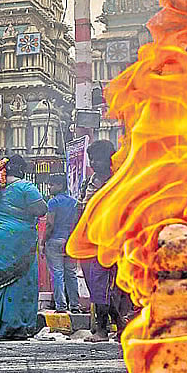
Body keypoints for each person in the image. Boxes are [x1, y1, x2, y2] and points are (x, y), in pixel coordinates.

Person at [0, 154, 47, 341]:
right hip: (19, 245)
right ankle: (15, 326)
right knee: (19, 284)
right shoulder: (25, 187)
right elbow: (41, 210)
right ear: (21, 169)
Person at [80, 139, 131, 340]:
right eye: (91, 159)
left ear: (109, 159)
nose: (93, 163)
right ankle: (106, 327)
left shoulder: (122, 180)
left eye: (97, 159)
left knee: (122, 287)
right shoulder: (90, 183)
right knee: (98, 285)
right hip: (95, 242)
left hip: (120, 242)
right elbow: (83, 210)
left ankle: (117, 327)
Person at [42, 174, 80, 313]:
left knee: (57, 274)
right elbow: (76, 223)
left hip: (54, 241)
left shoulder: (53, 202)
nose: (49, 187)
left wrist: (42, 242)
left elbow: (50, 224)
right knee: (71, 274)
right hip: (70, 241)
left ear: (60, 186)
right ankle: (75, 305)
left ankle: (61, 306)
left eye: (52, 185)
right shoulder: (74, 202)